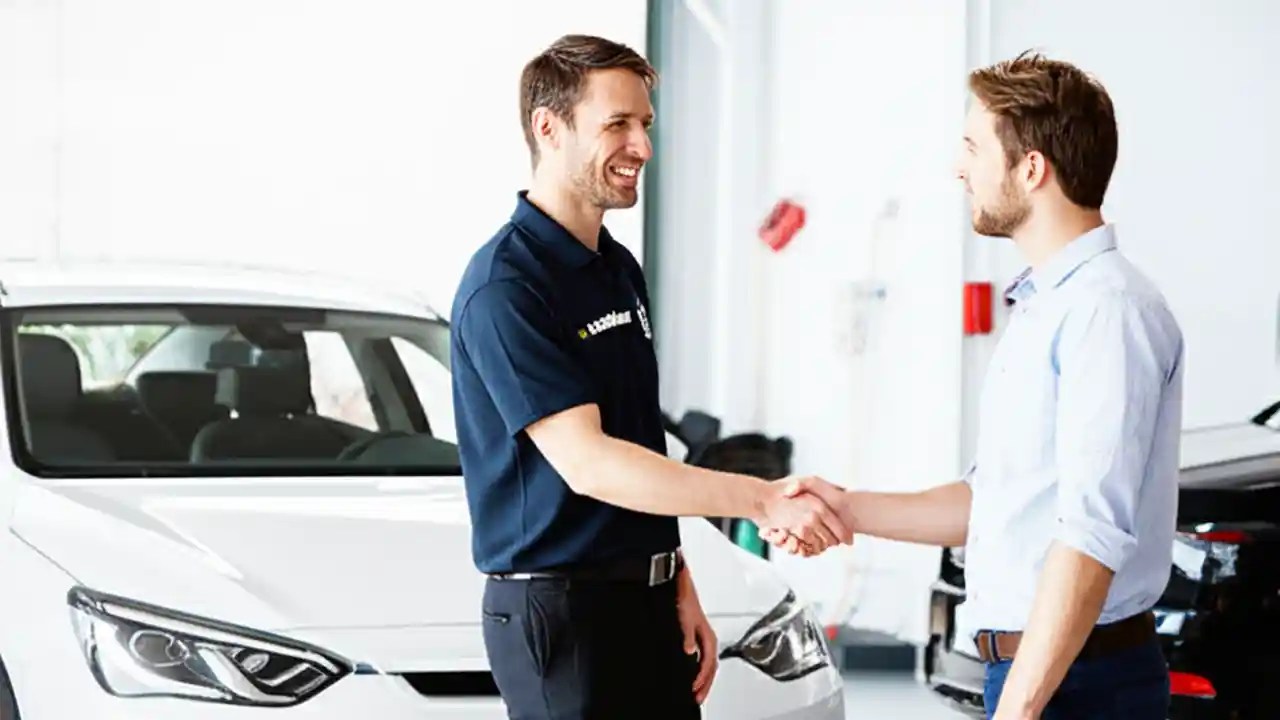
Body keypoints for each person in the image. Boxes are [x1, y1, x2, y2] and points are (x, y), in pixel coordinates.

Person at [766, 51, 1184, 720]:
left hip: (1073, 686)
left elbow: (1090, 537)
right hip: (1039, 678)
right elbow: (991, 504)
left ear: (1031, 168)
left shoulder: (1107, 310)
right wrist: (843, 508)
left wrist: (1018, 710)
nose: (958, 168)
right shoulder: (1047, 304)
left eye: (971, 147)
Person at [449, 34, 851, 720]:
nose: (642, 146)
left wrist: (673, 574)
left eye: (646, 124)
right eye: (618, 124)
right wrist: (760, 500)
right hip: (564, 614)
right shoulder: (508, 289)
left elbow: (637, 441)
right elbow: (592, 464)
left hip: (642, 600)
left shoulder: (616, 267)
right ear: (548, 128)